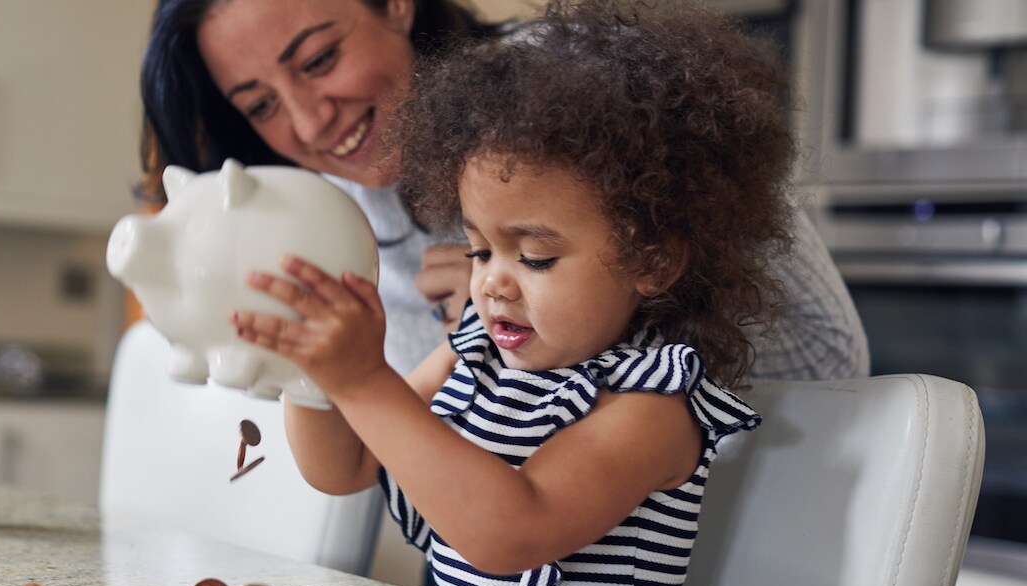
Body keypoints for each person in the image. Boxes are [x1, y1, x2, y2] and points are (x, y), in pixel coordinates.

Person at [230, 1, 794, 586]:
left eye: (535, 257)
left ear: (652, 261)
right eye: (478, 250)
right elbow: (345, 466)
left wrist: (364, 379)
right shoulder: (472, 352)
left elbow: (512, 533)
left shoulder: (649, 407)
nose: (492, 281)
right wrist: (310, 372)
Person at [138, 0, 870, 381]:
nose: (307, 121)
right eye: (261, 104)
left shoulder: (574, 94)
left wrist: (553, 315)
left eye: (321, 59)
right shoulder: (330, 207)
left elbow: (826, 356)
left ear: (395, 3)